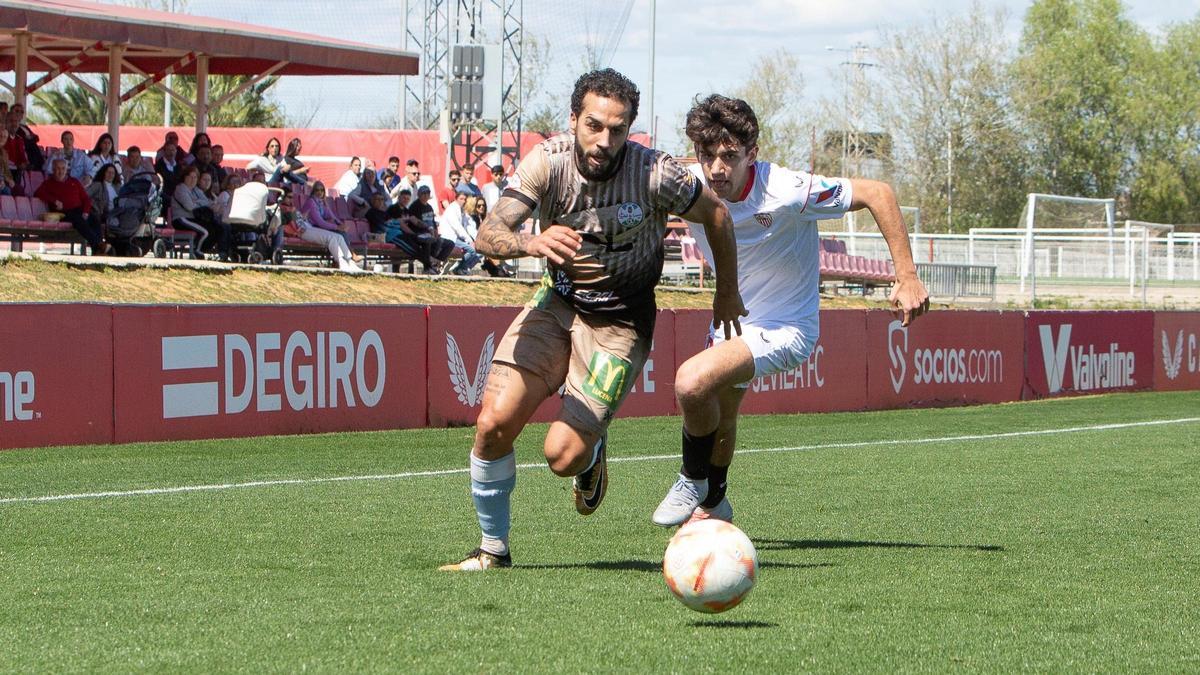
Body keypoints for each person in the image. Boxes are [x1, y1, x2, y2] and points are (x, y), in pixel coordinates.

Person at [439, 68, 745, 571]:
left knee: (563, 457)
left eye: (618, 129)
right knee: (492, 424)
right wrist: (528, 243)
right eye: (594, 125)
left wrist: (726, 294)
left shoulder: (657, 174)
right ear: (573, 119)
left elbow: (717, 214)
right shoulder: (548, 162)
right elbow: (488, 234)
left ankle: (592, 449)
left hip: (620, 323)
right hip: (555, 303)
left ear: (631, 129)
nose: (605, 140)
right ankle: (493, 551)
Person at [649, 94, 931, 527]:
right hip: (731, 322)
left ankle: (692, 479)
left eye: (730, 156)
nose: (718, 169)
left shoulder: (787, 190)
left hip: (787, 328)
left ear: (752, 154)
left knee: (691, 382)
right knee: (722, 413)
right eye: (708, 156)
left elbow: (879, 193)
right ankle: (715, 502)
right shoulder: (686, 183)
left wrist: (906, 275)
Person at [35, 158, 109, 255]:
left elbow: (86, 199)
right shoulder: (48, 183)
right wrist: (54, 201)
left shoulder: (74, 181)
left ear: (66, 170)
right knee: (78, 220)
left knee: (94, 219)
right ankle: (99, 245)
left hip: (79, 210)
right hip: (63, 213)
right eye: (57, 168)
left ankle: (97, 249)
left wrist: (86, 212)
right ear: (53, 170)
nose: (60, 171)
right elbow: (38, 193)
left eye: (63, 168)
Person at [280, 188, 362, 273]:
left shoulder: (292, 208)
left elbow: (300, 219)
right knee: (331, 238)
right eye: (289, 197)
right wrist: (295, 231)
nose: (291, 200)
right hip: (302, 231)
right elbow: (284, 226)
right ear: (282, 197)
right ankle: (342, 262)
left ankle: (350, 261)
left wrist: (303, 217)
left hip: (308, 227)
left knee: (339, 237)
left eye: (292, 197)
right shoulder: (282, 209)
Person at [171, 165, 232, 260]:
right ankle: (197, 250)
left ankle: (221, 253)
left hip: (194, 218)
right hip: (182, 219)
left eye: (195, 177)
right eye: (190, 177)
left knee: (218, 227)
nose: (193, 179)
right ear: (184, 177)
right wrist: (199, 203)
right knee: (205, 232)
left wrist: (197, 202)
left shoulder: (196, 190)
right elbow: (189, 206)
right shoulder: (181, 188)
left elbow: (207, 202)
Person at [303, 180, 363, 261]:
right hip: (310, 228)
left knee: (342, 232)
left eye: (322, 190)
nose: (319, 192)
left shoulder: (322, 203)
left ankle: (343, 258)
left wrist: (341, 225)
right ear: (313, 191)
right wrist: (337, 227)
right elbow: (320, 222)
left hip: (317, 227)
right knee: (339, 233)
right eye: (317, 190)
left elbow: (332, 216)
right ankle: (351, 255)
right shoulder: (311, 202)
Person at [438, 191, 482, 275]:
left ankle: (463, 268)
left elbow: (469, 227)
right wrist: (469, 241)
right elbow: (457, 227)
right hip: (449, 238)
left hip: (458, 239)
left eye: (465, 199)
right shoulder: (452, 209)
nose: (463, 201)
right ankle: (459, 268)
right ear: (456, 199)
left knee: (480, 253)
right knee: (472, 250)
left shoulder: (462, 211)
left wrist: (478, 240)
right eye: (461, 199)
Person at [9, 102, 42, 170]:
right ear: (11, 112)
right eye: (17, 111)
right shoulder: (9, 126)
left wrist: (30, 138)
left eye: (21, 112)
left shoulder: (24, 127)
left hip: (30, 149)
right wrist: (29, 138)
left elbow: (36, 137)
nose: (19, 113)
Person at [85, 163, 120, 228]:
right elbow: (85, 195)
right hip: (102, 215)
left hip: (116, 214)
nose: (110, 175)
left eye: (113, 173)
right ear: (103, 173)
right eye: (108, 172)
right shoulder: (98, 185)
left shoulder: (117, 187)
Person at [0, 128, 15, 196]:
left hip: (2, 182)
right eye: (0, 136)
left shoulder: (5, 153)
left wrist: (10, 180)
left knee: (16, 189)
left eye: (4, 137)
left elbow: (6, 171)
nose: (2, 138)